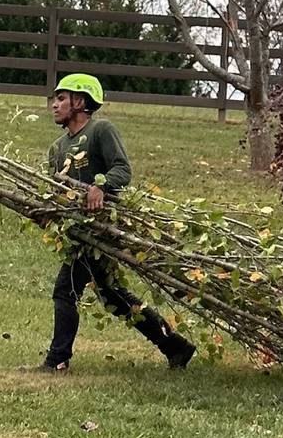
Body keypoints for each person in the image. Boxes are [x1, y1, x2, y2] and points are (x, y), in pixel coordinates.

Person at [37, 73, 196, 372]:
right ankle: (176, 347)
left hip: (103, 230)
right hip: (79, 233)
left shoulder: (101, 130)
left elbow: (122, 170)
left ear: (80, 101)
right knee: (112, 295)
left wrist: (101, 186)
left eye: (61, 98)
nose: (54, 105)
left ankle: (57, 360)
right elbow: (56, 192)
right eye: (54, 99)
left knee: (65, 289)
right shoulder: (57, 148)